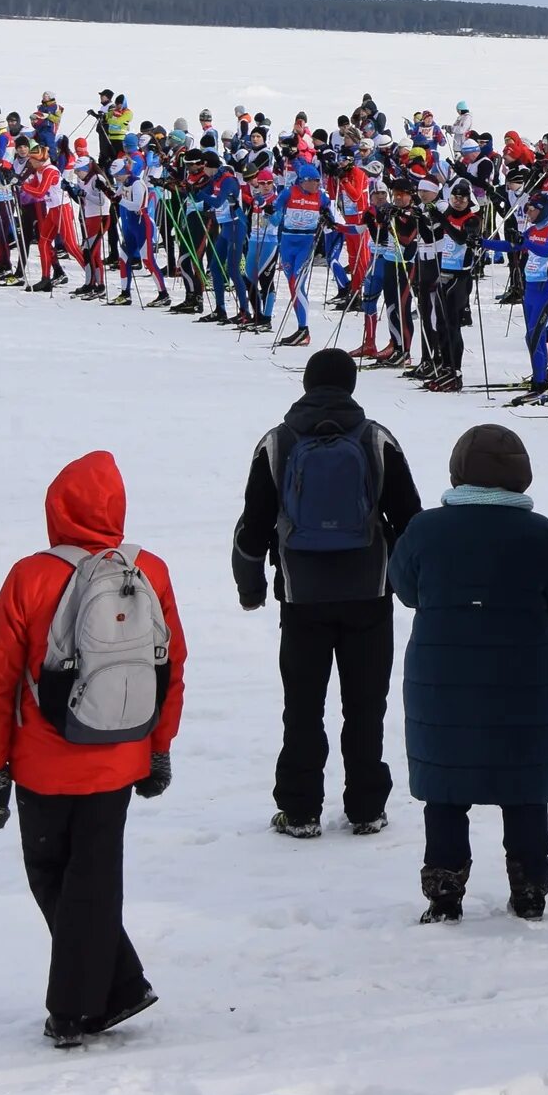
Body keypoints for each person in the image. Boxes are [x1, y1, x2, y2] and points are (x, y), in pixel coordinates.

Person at [0, 450, 185, 1048]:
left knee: (52, 873)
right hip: (120, 754)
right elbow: (171, 667)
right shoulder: (151, 572)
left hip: (44, 761)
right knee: (93, 876)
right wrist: (158, 746)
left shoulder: (30, 577)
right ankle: (116, 988)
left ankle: (73, 1011)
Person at [389, 425, 548, 924]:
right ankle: (530, 886)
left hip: (441, 678)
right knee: (523, 782)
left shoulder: (426, 530)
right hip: (526, 676)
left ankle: (445, 888)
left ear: (458, 471)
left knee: (445, 783)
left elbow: (405, 588)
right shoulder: (540, 534)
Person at [231, 348, 423, 838]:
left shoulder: (277, 442)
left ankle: (299, 810)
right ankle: (365, 807)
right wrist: (408, 584)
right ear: (352, 386)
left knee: (302, 705)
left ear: (306, 386)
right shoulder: (377, 438)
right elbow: (410, 521)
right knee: (365, 705)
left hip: (302, 596)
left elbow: (252, 530)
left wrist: (251, 589)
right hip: (368, 593)